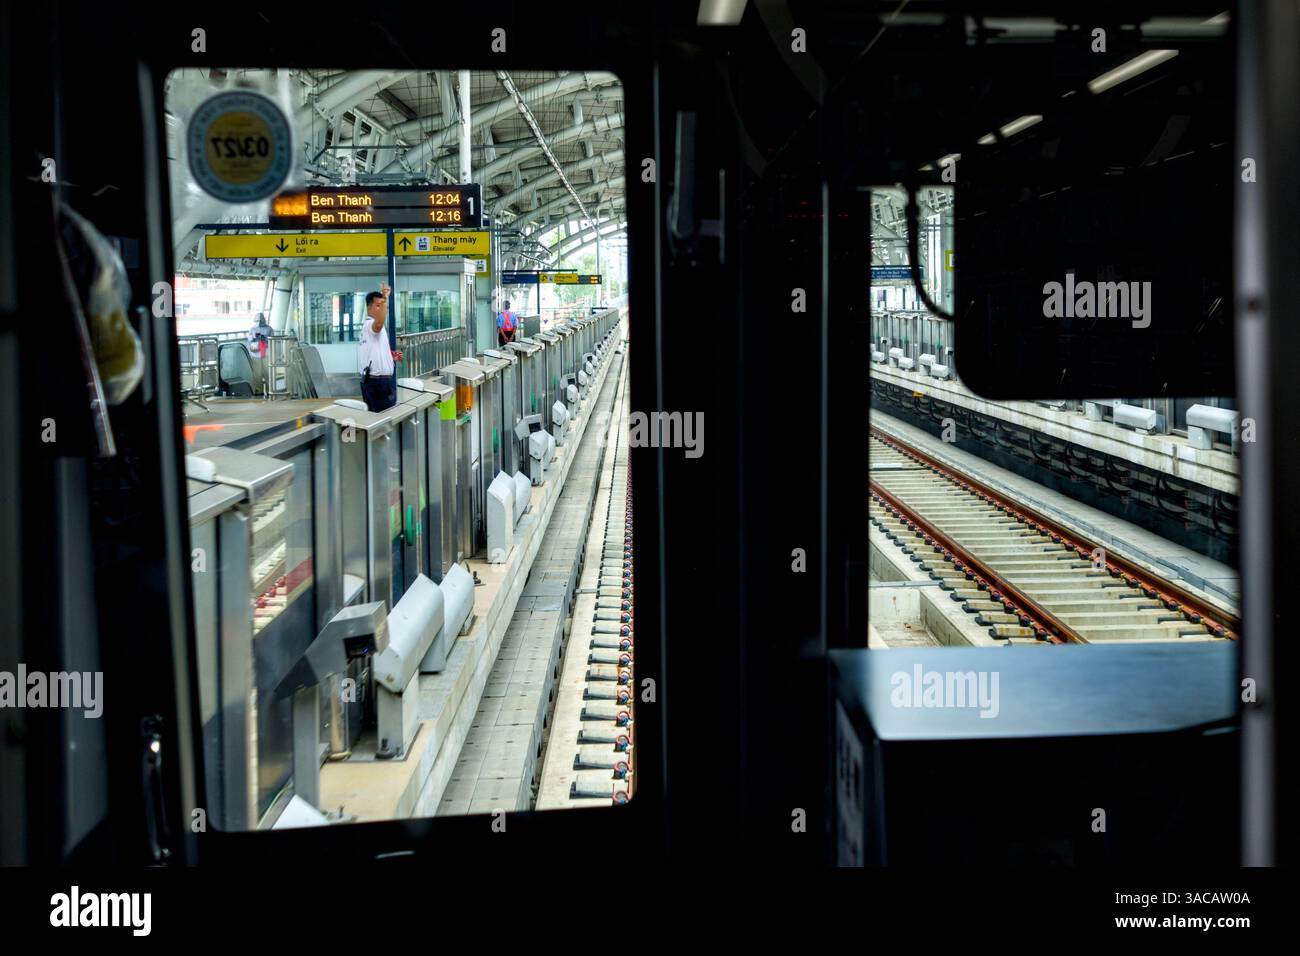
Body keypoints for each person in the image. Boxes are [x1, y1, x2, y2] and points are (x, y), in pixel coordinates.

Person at [358, 283, 402, 412]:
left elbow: (372, 350)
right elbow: (379, 323)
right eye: (378, 306)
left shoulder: (368, 327)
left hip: (375, 381)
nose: (382, 309)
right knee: (383, 419)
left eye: (383, 306)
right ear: (369, 308)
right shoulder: (371, 325)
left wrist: (389, 355)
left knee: (378, 418)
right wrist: (385, 298)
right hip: (377, 383)